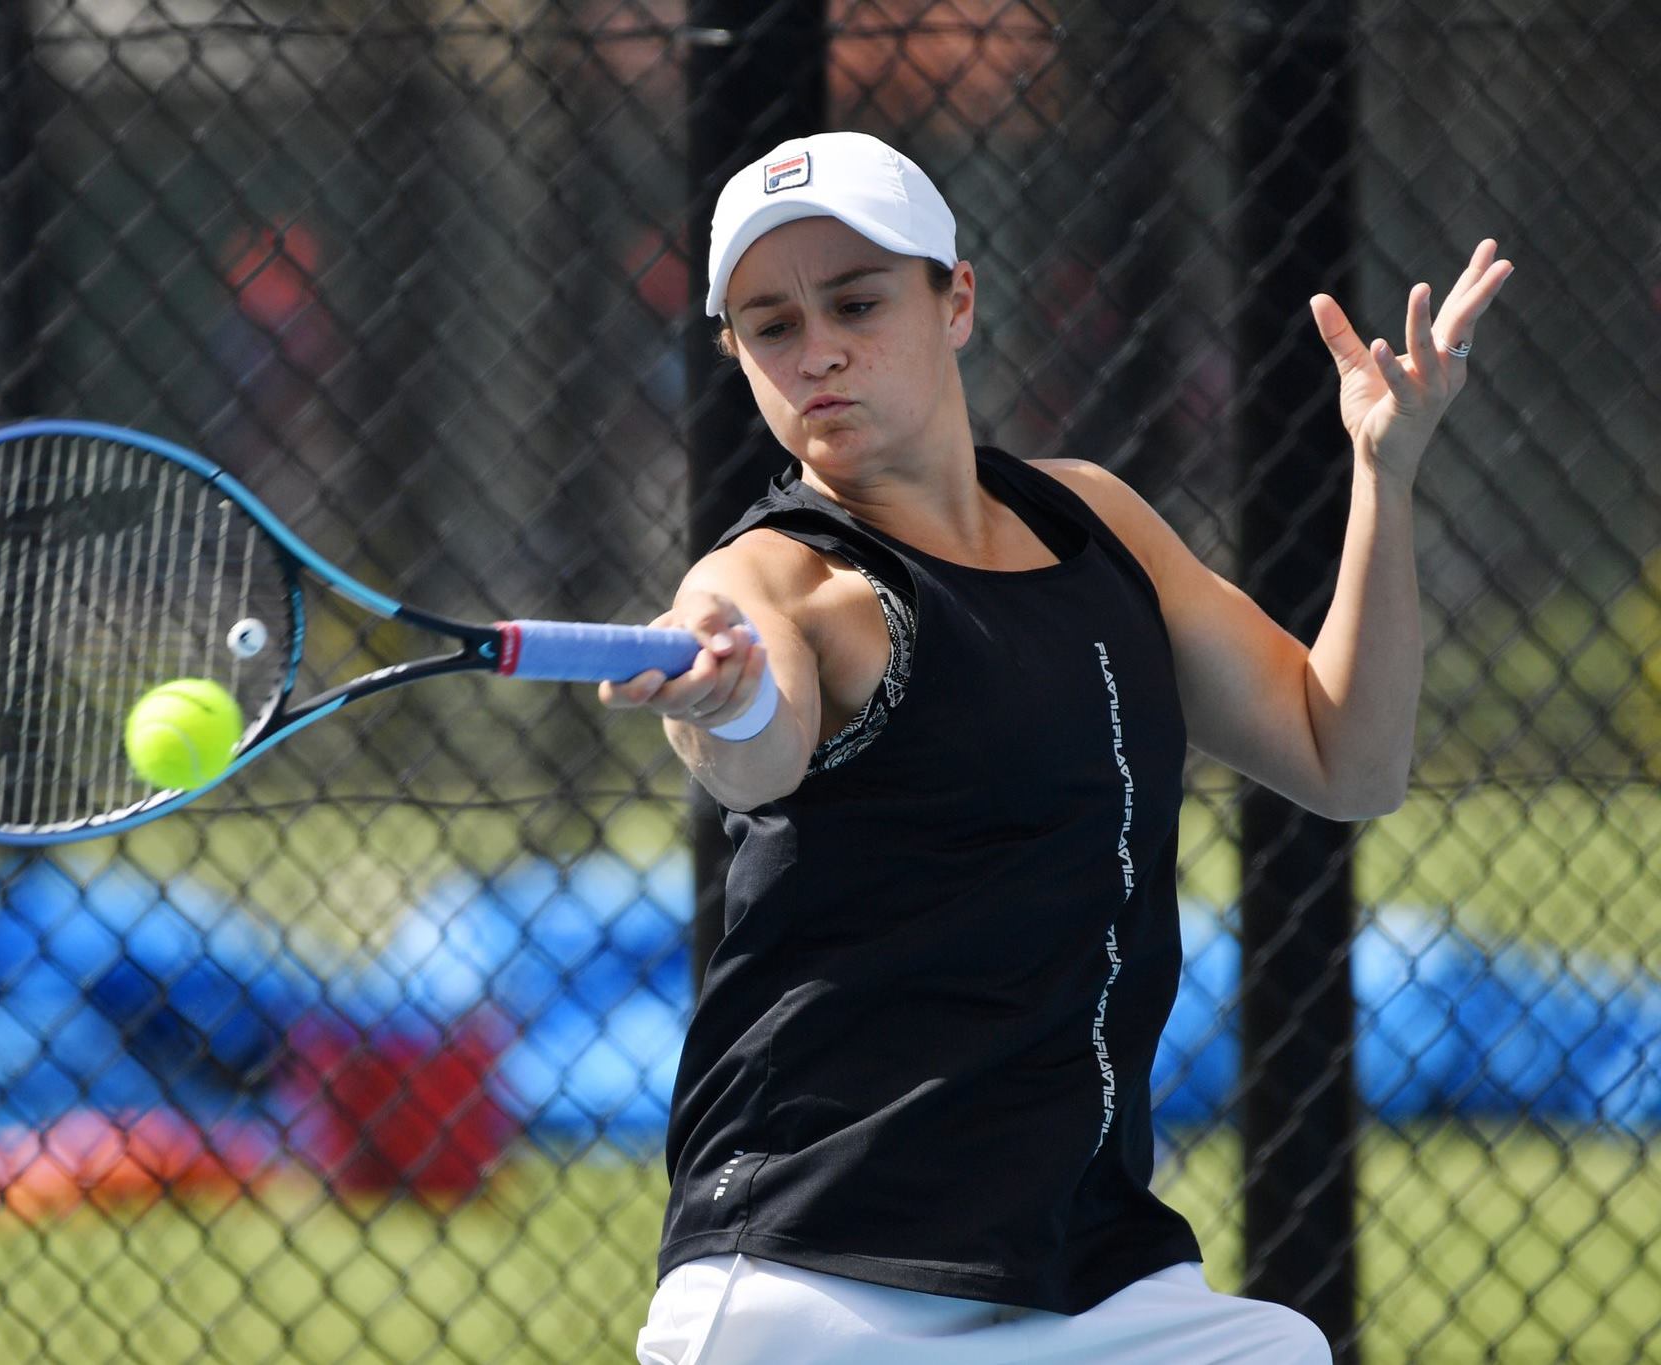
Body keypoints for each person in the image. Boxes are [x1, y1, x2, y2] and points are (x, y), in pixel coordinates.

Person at [601, 132, 1511, 1363]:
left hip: (1083, 1272)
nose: (815, 350)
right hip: (813, 1280)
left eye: (857, 303)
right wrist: (723, 700)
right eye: (770, 325)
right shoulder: (773, 578)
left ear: (956, 300)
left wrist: (1381, 476)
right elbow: (753, 750)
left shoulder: (1095, 520)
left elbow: (1345, 760)